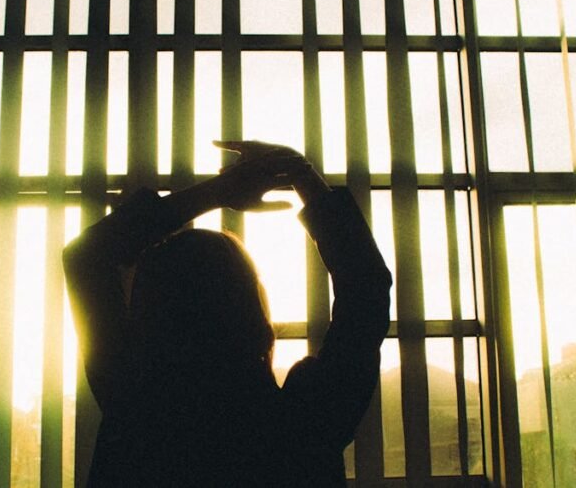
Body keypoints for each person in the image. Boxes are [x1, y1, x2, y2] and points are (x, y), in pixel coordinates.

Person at [63, 141, 393, 487]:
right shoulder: (303, 422)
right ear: (253, 311)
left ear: (148, 312)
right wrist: (299, 172)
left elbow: (86, 257)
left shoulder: (133, 407)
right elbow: (365, 291)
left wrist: (219, 191)